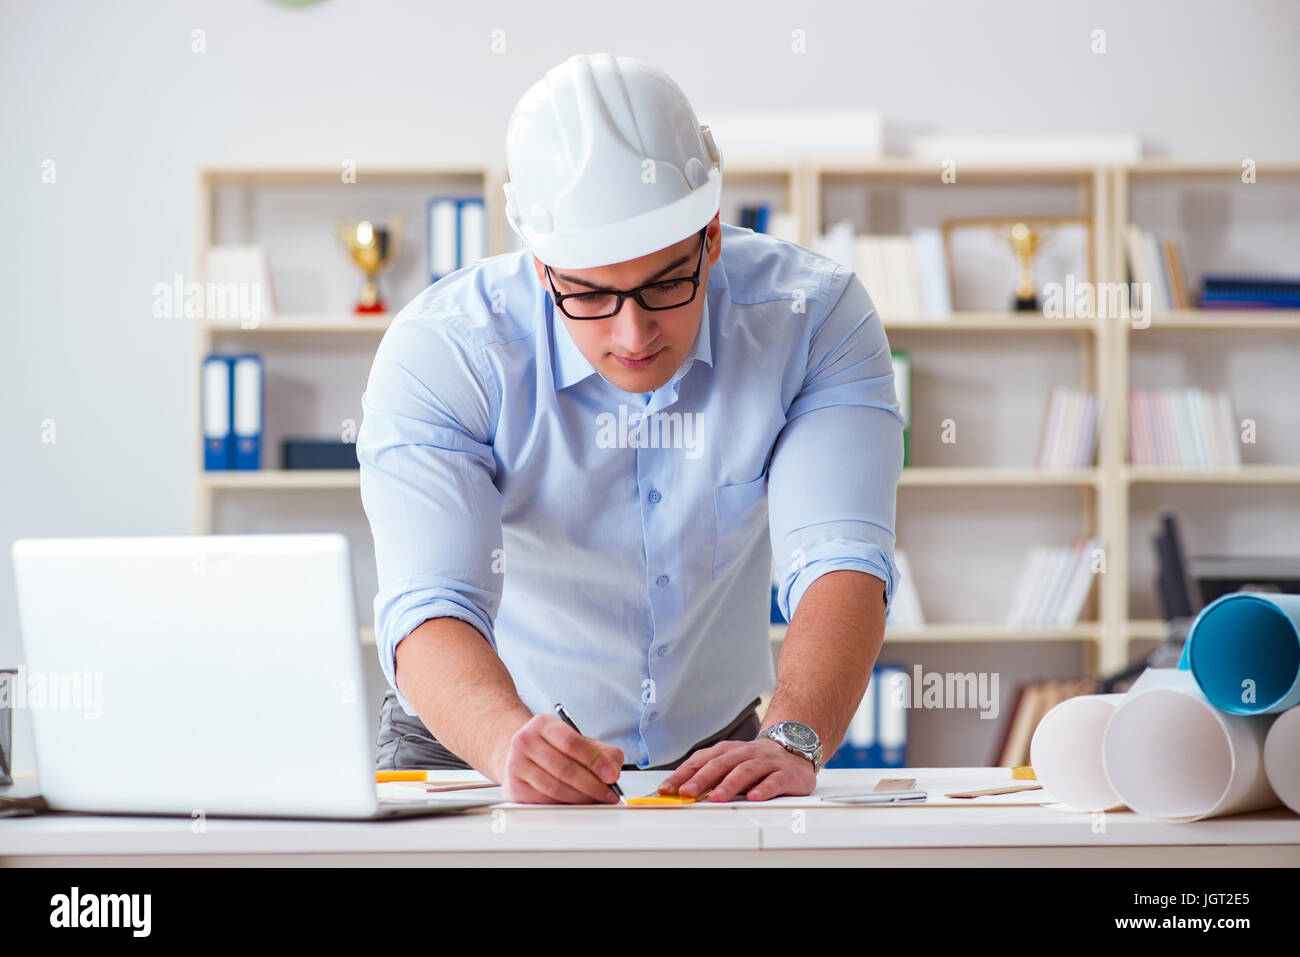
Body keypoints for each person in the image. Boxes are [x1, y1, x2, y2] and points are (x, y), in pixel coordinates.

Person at [357, 52, 903, 804]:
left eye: (664, 284)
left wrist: (795, 736)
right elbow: (430, 600)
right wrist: (504, 739)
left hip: (720, 754)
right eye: (590, 294)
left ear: (711, 236)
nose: (632, 331)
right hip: (476, 741)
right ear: (543, 267)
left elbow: (843, 557)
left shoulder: (814, 320)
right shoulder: (445, 351)